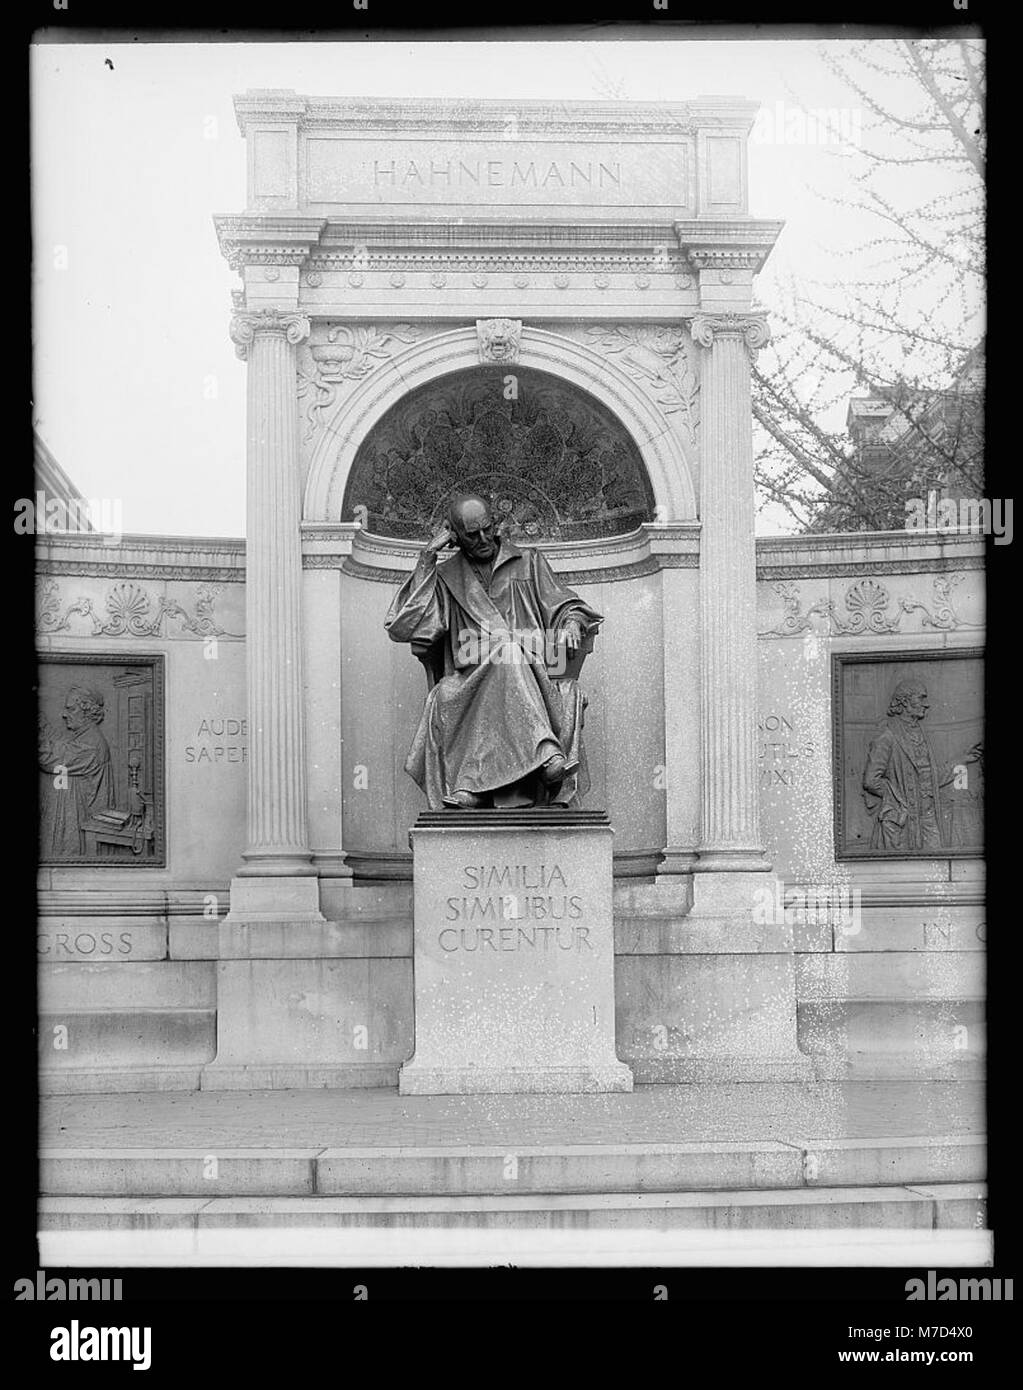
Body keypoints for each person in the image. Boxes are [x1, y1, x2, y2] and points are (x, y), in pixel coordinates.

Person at [385, 494, 602, 809]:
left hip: (532, 669)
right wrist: (428, 558)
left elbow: (568, 604)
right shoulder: (447, 576)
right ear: (454, 536)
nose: (483, 539)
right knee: (503, 654)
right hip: (471, 674)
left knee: (510, 651)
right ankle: (545, 754)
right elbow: (405, 626)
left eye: (487, 529)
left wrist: (570, 624)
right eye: (471, 535)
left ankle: (470, 784)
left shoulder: (529, 561)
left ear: (497, 524)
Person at [39, 685, 115, 857]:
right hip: (68, 820)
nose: (64, 715)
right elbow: (59, 743)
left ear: (87, 712)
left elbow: (49, 757)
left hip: (75, 827)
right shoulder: (83, 737)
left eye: (70, 709)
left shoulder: (91, 744)